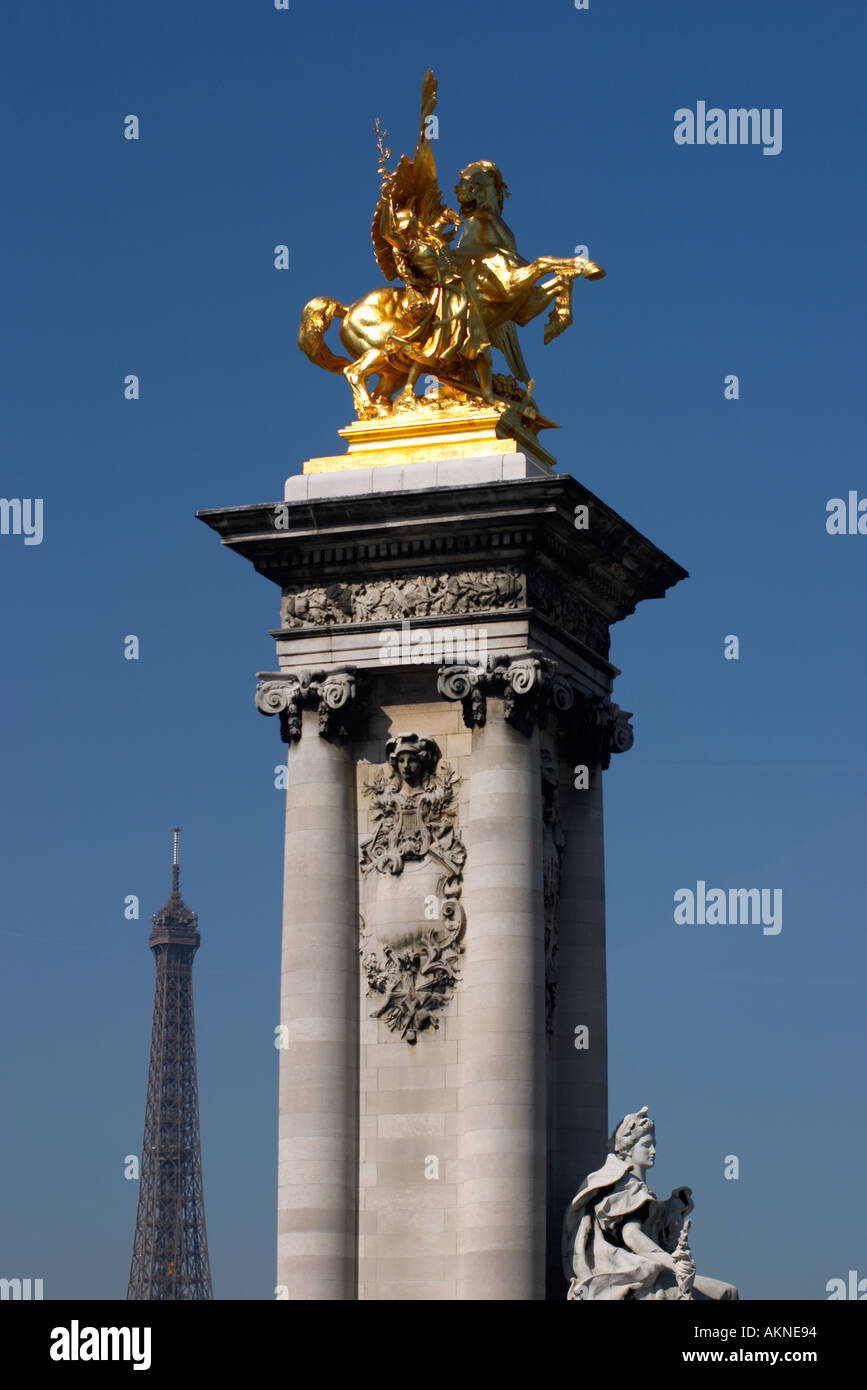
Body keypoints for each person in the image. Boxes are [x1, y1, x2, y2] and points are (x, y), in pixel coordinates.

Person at [562, 1107, 738, 1300]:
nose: (653, 1151)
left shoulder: (638, 1188)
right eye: (646, 1145)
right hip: (639, 1278)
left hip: (652, 1274)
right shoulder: (626, 1187)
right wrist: (674, 1263)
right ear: (628, 1148)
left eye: (654, 1144)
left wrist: (672, 1212)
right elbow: (632, 1236)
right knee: (727, 1293)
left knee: (728, 1293)